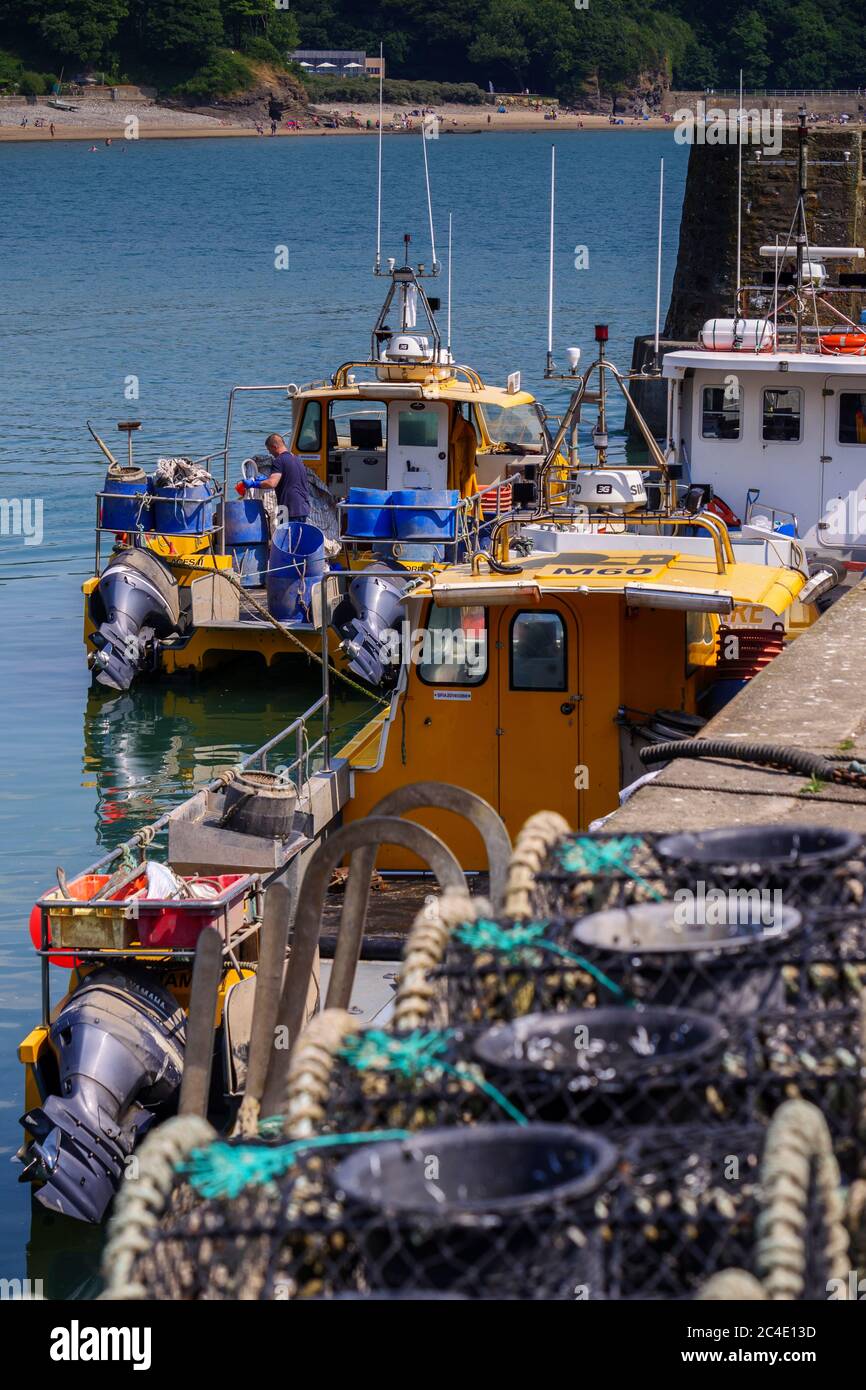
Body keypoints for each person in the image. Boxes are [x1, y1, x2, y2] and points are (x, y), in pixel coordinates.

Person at [241, 433, 310, 522]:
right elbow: (289, 480)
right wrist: (265, 480)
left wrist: (253, 484)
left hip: (288, 509)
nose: (270, 453)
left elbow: (272, 483)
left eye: (269, 449)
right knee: (299, 534)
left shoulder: (279, 460)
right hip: (303, 507)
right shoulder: (297, 460)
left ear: (274, 446)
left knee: (285, 534)